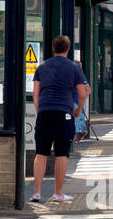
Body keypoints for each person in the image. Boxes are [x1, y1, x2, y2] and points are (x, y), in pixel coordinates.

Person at [30, 35, 89, 203]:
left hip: (45, 113)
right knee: (61, 153)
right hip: (64, 113)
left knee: (41, 153)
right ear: (68, 49)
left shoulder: (42, 67)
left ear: (53, 49)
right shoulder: (74, 68)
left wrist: (39, 109)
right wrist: (77, 110)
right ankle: (58, 193)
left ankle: (36, 192)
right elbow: (82, 93)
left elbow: (36, 93)